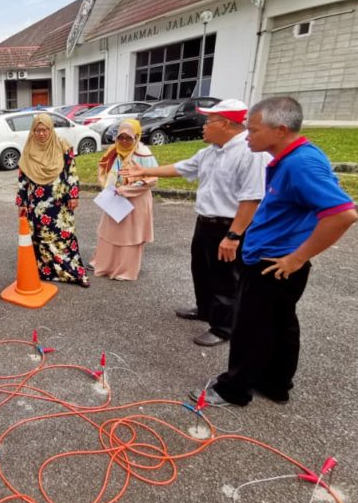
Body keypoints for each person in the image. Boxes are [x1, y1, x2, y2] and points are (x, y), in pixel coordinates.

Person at [188, 97, 357, 407]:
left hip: (275, 262)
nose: (247, 136)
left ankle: (233, 390)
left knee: (250, 327)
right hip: (275, 258)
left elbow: (342, 214)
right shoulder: (291, 158)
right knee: (279, 323)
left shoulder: (300, 163)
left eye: (252, 130)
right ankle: (276, 383)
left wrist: (297, 257)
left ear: (280, 130)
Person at [122, 100, 268, 346]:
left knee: (225, 277)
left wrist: (233, 236)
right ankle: (205, 310)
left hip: (230, 226)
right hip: (206, 223)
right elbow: (182, 168)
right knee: (201, 269)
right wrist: (144, 172)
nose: (203, 126)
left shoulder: (250, 153)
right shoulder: (211, 150)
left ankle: (223, 328)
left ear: (226, 124)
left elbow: (252, 198)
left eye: (209, 122)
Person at [15, 113, 89, 287]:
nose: (41, 134)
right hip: (37, 205)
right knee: (41, 239)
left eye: (45, 129)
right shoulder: (28, 149)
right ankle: (44, 272)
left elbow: (71, 172)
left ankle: (73, 273)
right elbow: (22, 180)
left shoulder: (63, 146)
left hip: (60, 203)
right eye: (37, 130)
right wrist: (21, 203)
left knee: (64, 237)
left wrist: (73, 194)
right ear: (33, 131)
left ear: (51, 129)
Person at [91, 120, 158, 281]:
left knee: (130, 236)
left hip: (136, 201)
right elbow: (105, 171)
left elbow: (152, 179)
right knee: (110, 232)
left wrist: (127, 189)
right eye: (121, 137)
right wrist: (111, 187)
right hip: (116, 199)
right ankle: (106, 265)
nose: (124, 141)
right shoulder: (114, 152)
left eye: (128, 138)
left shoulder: (144, 153)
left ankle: (125, 270)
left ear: (136, 137)